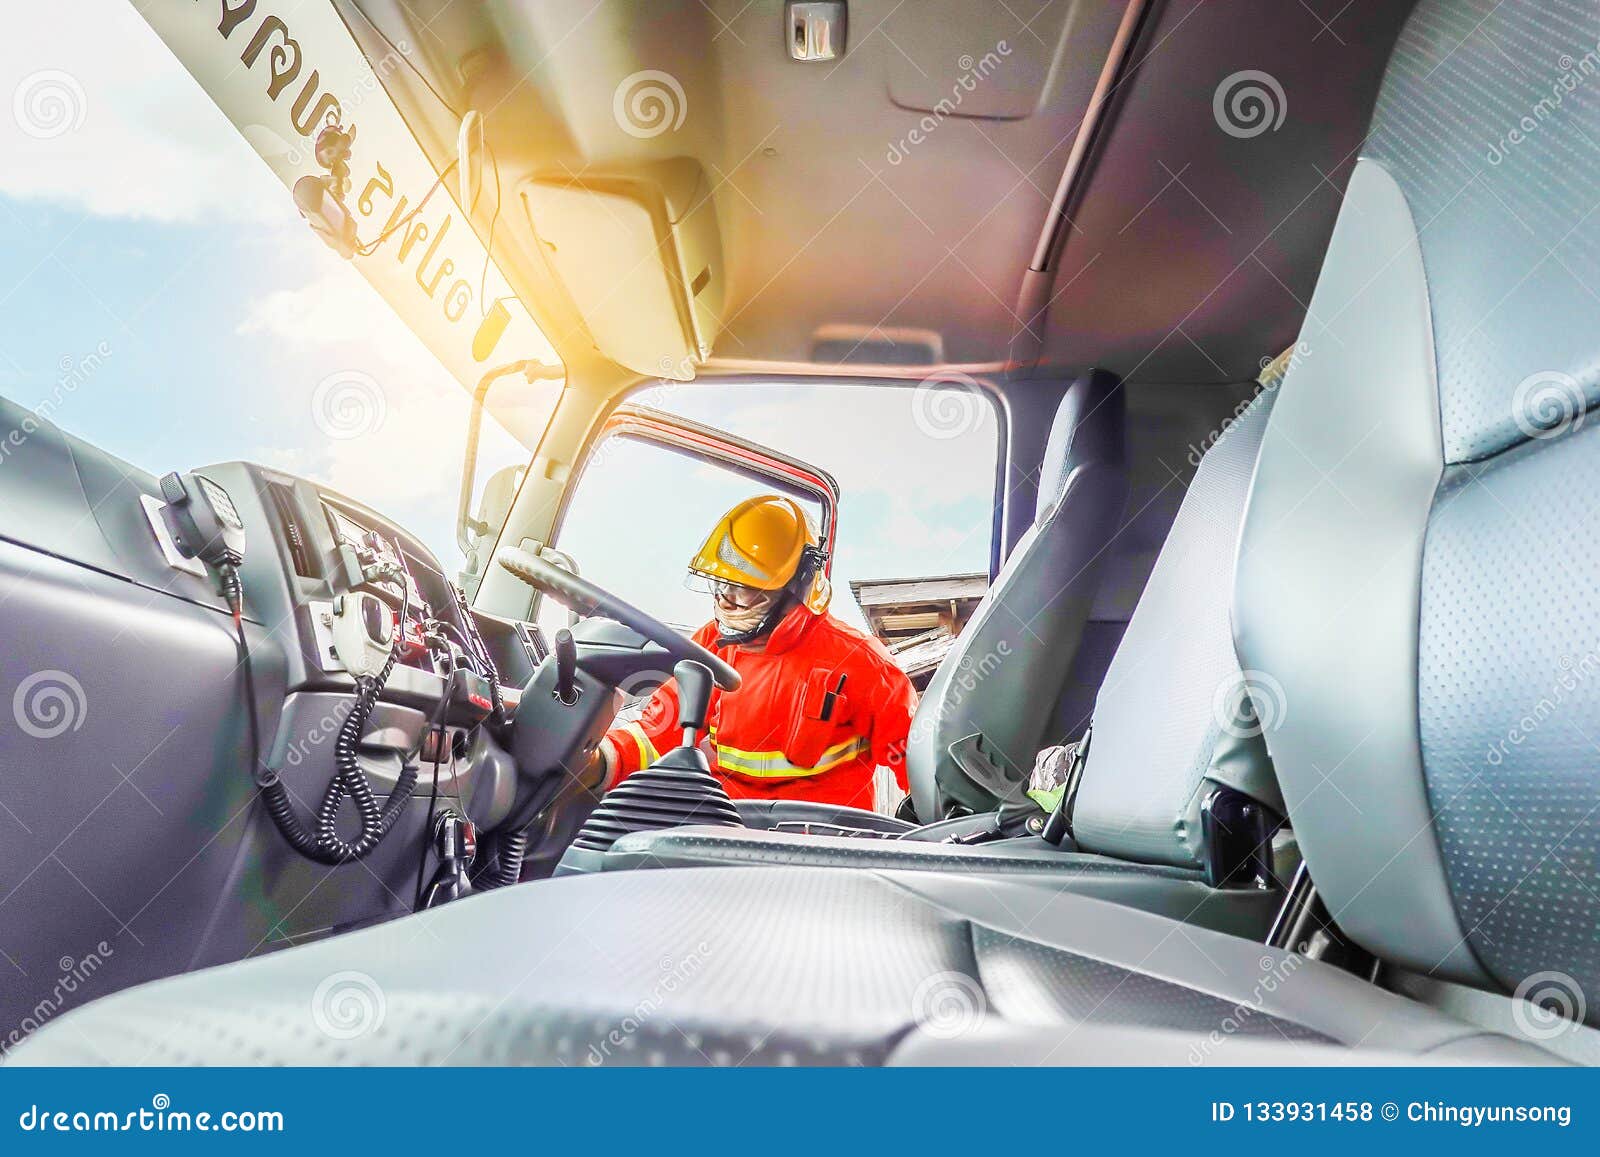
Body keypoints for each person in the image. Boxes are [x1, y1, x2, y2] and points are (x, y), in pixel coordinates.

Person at [596, 494, 918, 812]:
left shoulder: (864, 663)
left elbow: (920, 766)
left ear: (796, 586)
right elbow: (657, 731)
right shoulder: (711, 643)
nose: (726, 599)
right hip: (729, 827)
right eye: (722, 583)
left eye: (745, 587)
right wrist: (601, 761)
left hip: (824, 838)